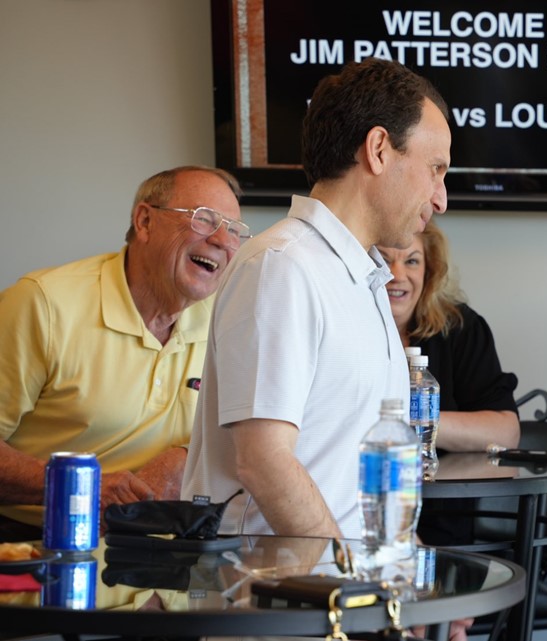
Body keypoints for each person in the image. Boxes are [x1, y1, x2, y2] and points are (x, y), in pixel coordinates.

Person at [181, 58, 451, 540]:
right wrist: (349, 586)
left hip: (346, 595)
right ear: (379, 149)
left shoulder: (363, 280)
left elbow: (371, 470)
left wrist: (400, 574)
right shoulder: (282, 267)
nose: (440, 198)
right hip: (277, 599)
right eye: (435, 169)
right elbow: (264, 461)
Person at [0, 166, 245, 541]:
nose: (223, 241)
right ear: (145, 221)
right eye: (205, 219)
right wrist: (81, 488)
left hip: (166, 558)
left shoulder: (226, 321)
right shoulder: (43, 304)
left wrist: (181, 457)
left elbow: (245, 437)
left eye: (233, 230)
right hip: (36, 547)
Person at [378, 220, 520, 452]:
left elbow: (506, 432)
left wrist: (408, 422)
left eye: (412, 261)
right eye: (383, 261)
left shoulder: (460, 326)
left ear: (429, 271)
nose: (397, 274)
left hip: (445, 483)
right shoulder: (339, 326)